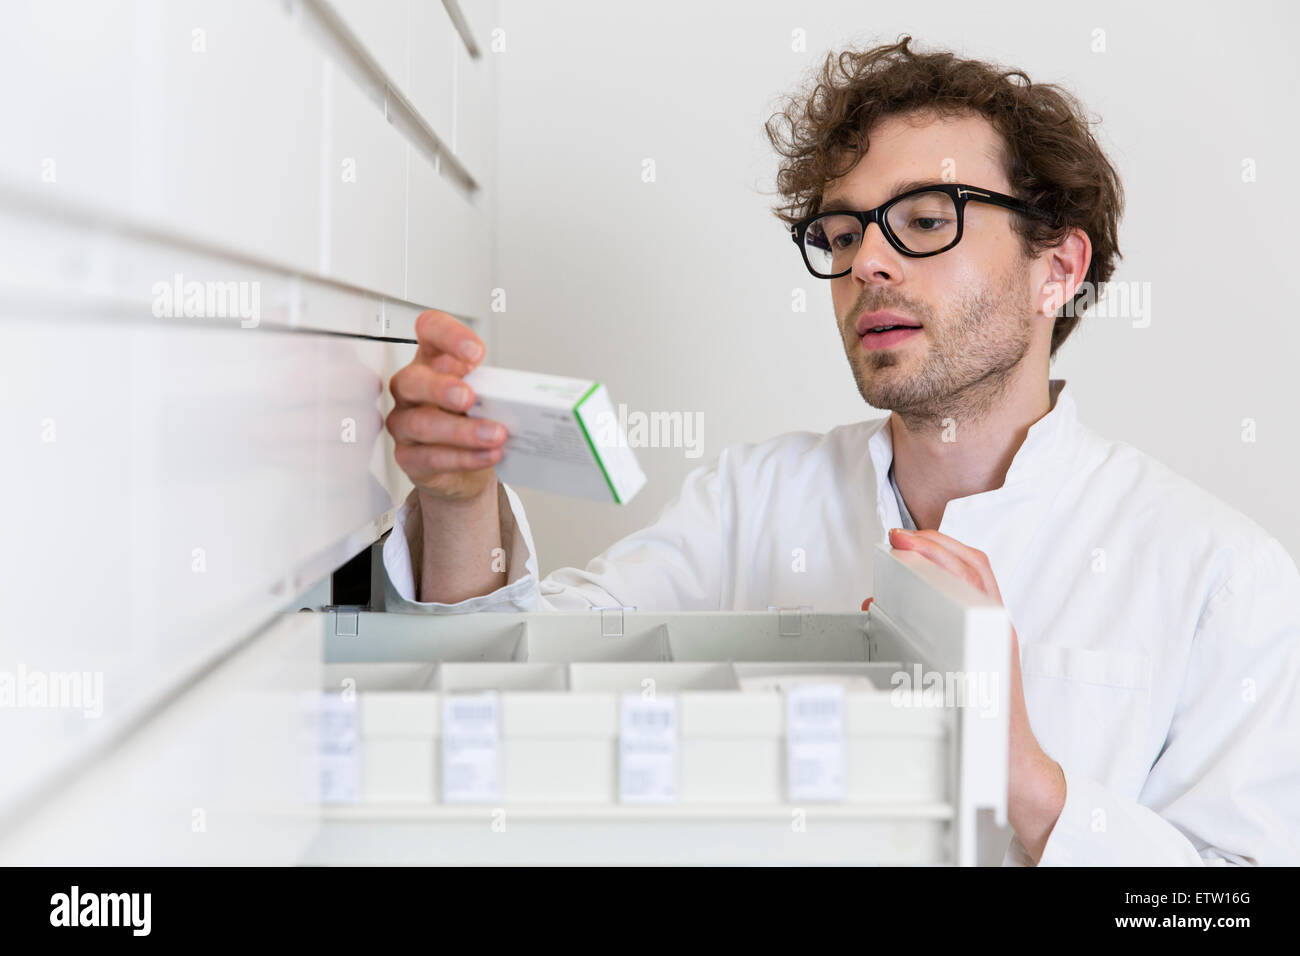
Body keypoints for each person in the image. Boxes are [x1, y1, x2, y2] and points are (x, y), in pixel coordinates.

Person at [381, 37, 1300, 866]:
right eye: (845, 231)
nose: (868, 262)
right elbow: (503, 687)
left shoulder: (1220, 578)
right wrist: (461, 502)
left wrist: (1029, 784)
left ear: (1056, 268)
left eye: (928, 219)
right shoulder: (751, 502)